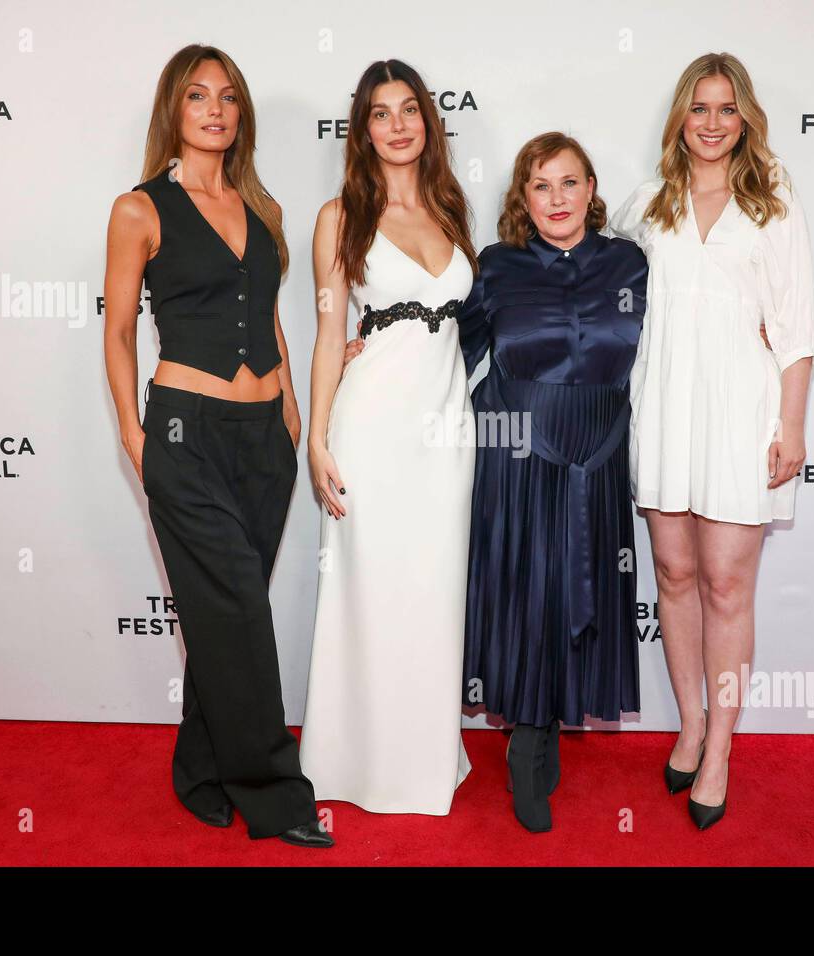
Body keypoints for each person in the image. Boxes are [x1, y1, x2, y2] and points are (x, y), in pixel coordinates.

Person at [103, 44, 330, 847]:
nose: (215, 110)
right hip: (183, 433)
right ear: (175, 109)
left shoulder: (260, 206)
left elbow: (268, 317)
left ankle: (199, 768)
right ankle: (277, 794)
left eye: (228, 97)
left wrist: (293, 407)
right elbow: (120, 329)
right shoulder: (140, 209)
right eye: (198, 96)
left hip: (265, 436)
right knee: (236, 604)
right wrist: (135, 435)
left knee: (222, 613)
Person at [610, 52, 814, 831]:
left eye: (726, 109)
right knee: (672, 573)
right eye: (698, 108)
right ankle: (691, 723)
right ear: (680, 118)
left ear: (745, 119)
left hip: (743, 416)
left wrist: (790, 424)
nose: (711, 122)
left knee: (727, 588)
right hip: (663, 410)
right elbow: (587, 265)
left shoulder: (774, 206)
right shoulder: (649, 203)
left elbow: (798, 329)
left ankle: (723, 746)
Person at [298, 59, 479, 814]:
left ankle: (425, 758)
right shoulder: (340, 216)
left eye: (410, 109)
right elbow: (329, 329)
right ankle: (354, 761)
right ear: (362, 129)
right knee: (368, 594)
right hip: (372, 425)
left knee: (433, 593)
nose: (398, 124)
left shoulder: (450, 205)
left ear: (427, 123)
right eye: (381, 112)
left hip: (447, 431)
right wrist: (316, 439)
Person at [458, 133, 648, 832]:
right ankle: (527, 742)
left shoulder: (630, 263)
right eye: (542, 185)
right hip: (517, 456)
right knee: (530, 595)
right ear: (523, 198)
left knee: (582, 587)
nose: (558, 198)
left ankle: (558, 715)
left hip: (597, 454)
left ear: (592, 189)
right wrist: (366, 347)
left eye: (570, 183)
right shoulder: (497, 268)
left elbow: (678, 337)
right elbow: (448, 353)